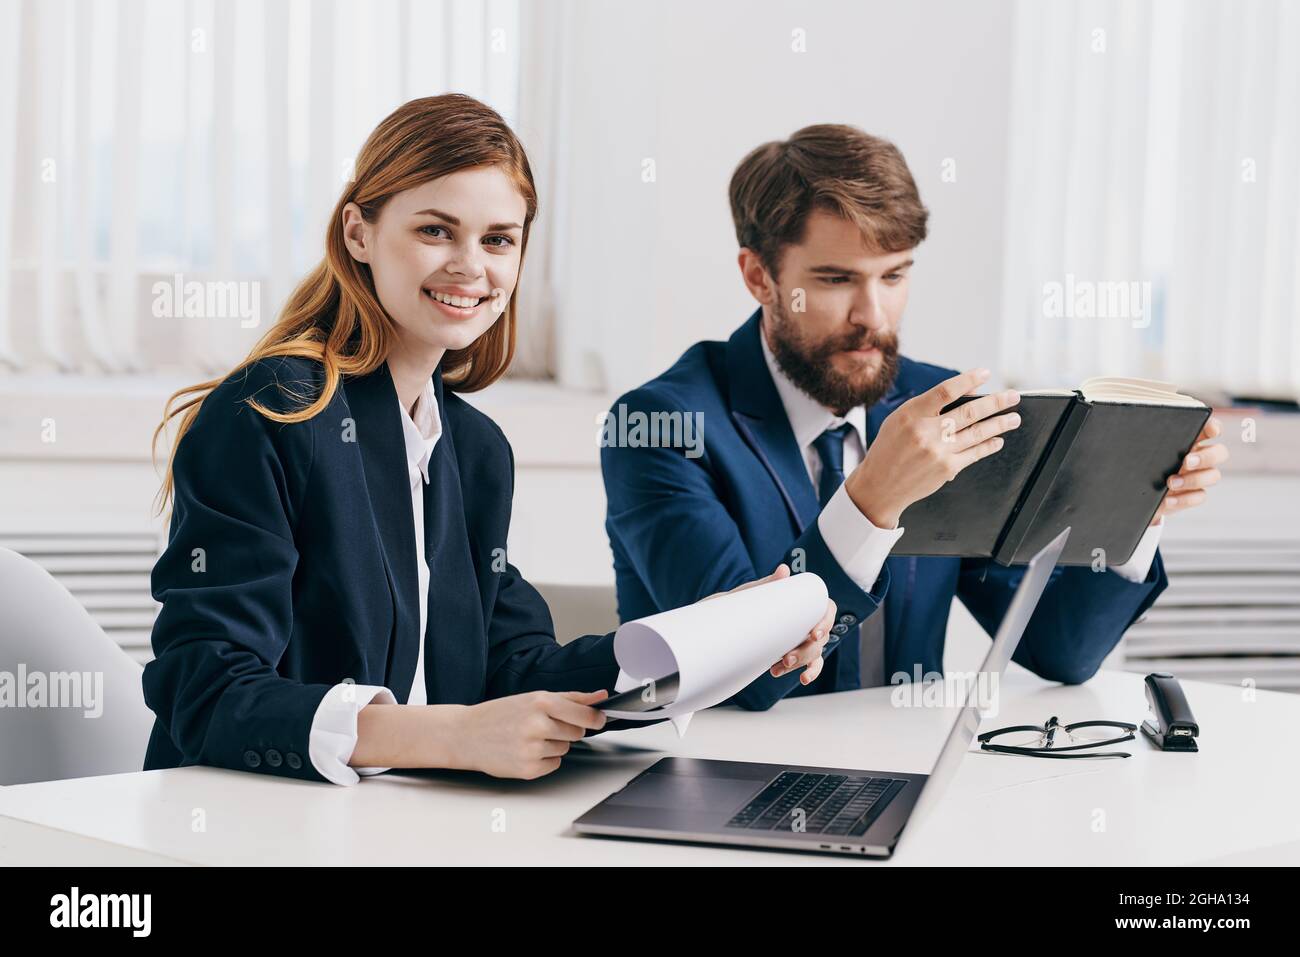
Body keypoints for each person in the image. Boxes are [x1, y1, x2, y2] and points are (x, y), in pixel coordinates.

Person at [143, 95, 834, 785]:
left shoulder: (474, 450)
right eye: (437, 231)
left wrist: (704, 637)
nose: (471, 267)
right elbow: (207, 691)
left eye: (498, 239)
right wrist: (453, 734)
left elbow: (515, 665)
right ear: (358, 233)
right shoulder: (267, 415)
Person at [601, 123, 1226, 710]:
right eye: (836, 279)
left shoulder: (939, 407)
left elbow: (1059, 649)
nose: (873, 314)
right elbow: (745, 682)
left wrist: (1133, 511)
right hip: (724, 779)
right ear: (760, 277)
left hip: (909, 779)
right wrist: (872, 501)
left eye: (894, 275)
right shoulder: (659, 426)